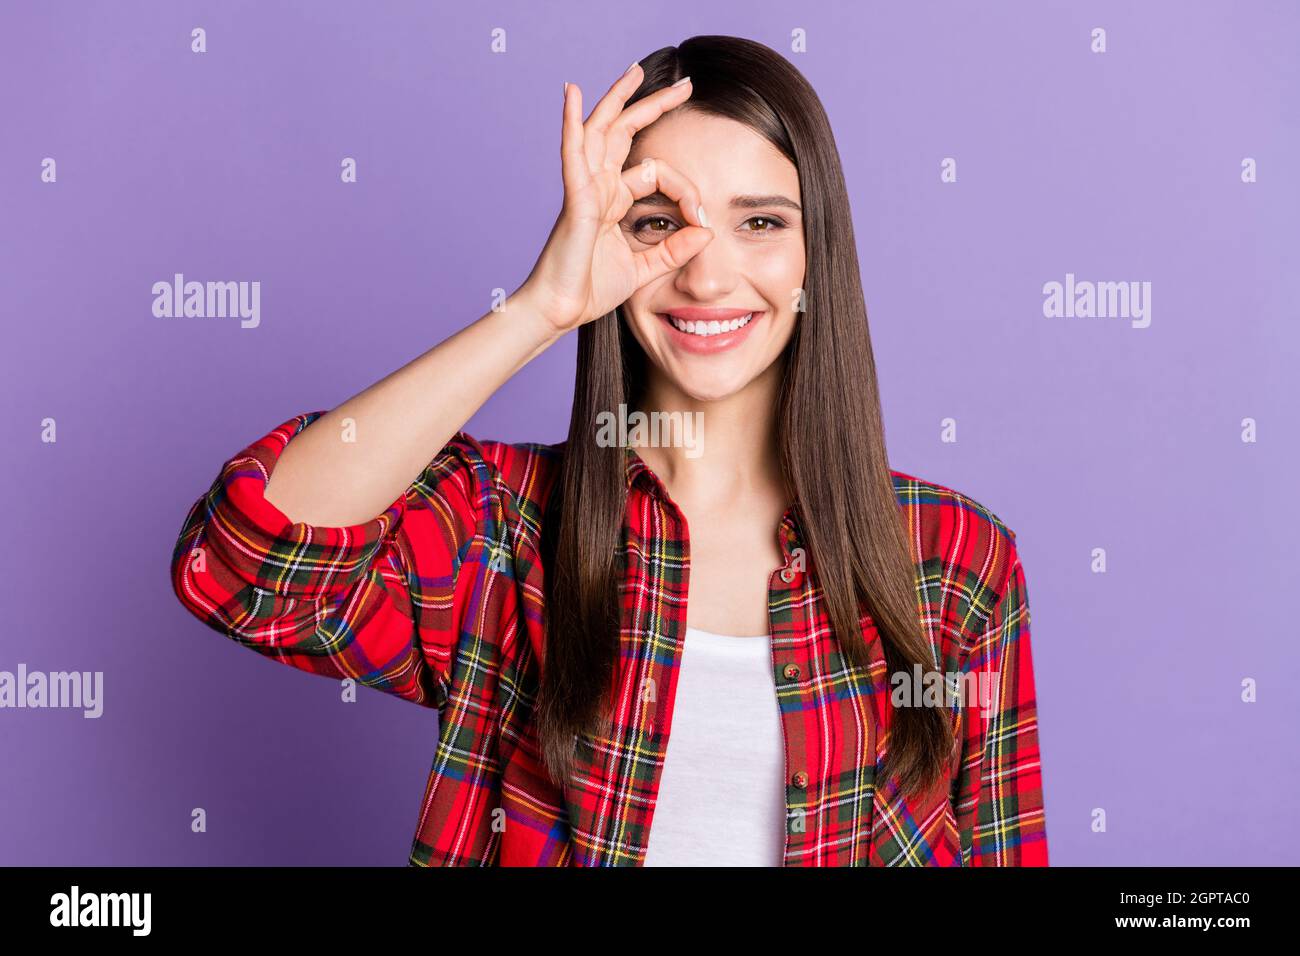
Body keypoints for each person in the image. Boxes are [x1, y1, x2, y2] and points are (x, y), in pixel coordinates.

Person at [169, 34, 1047, 867]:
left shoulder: (956, 558)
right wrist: (541, 310)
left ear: (819, 254)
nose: (706, 277)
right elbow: (244, 570)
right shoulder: (505, 529)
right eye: (662, 221)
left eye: (762, 223)